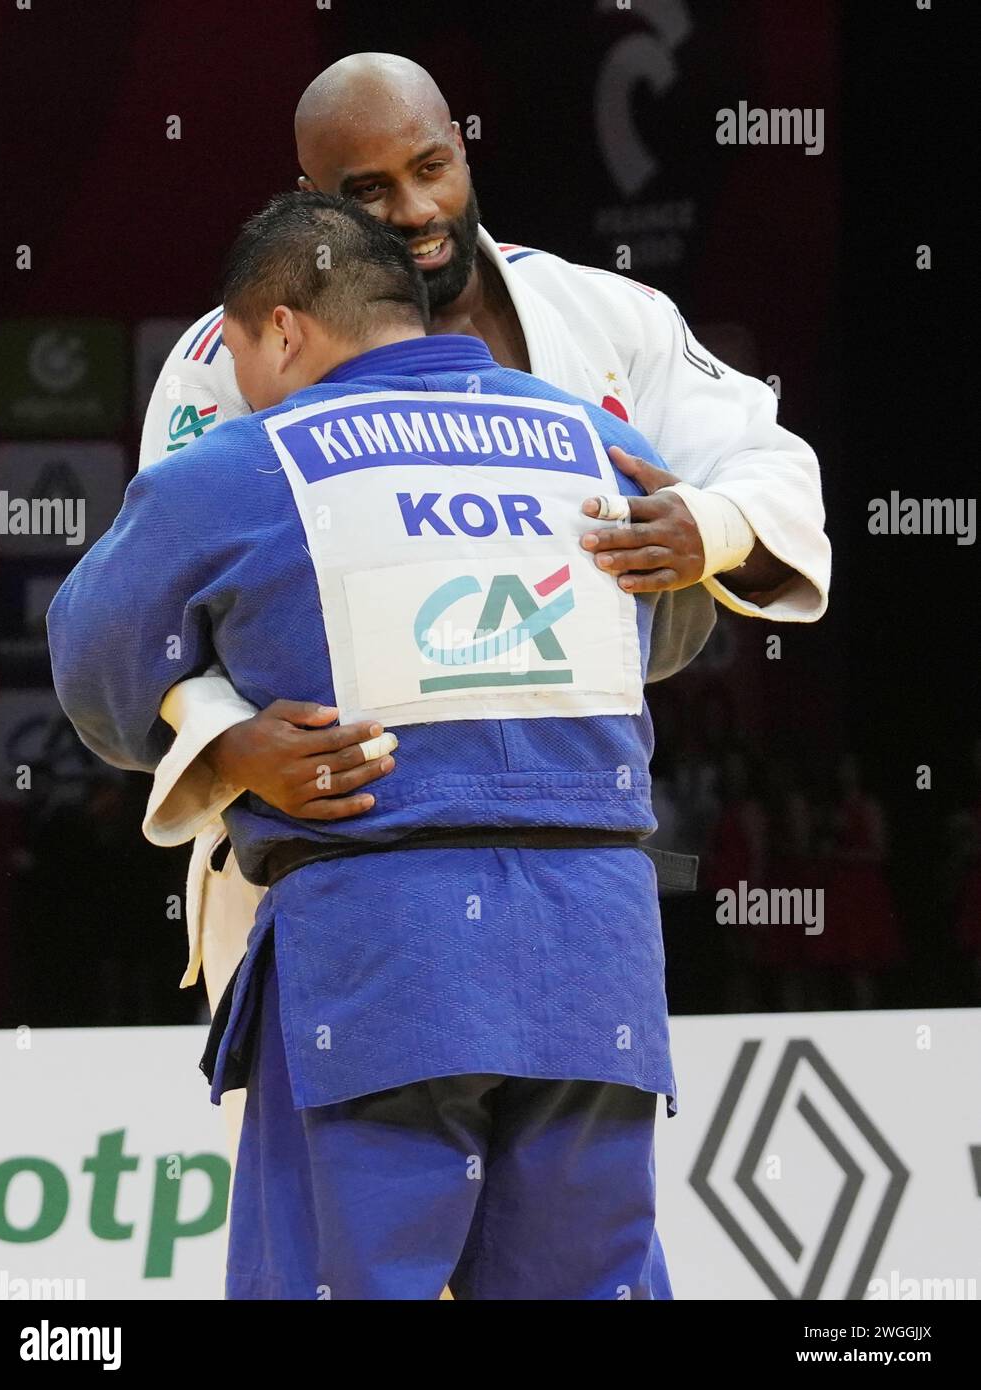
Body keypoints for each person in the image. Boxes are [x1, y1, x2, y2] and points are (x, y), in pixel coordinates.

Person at [137, 53, 830, 1163]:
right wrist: (228, 741)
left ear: (463, 149)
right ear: (310, 201)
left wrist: (718, 527)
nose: (414, 212)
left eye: (431, 167)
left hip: (557, 854)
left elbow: (764, 457)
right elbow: (152, 607)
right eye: (368, 192)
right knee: (348, 1240)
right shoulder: (239, 351)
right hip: (330, 855)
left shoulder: (606, 316)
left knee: (552, 1246)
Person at [49, 189, 721, 1299]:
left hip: (380, 966)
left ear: (280, 329)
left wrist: (221, 738)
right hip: (592, 961)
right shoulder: (593, 440)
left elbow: (92, 655)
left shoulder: (245, 465)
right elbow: (677, 615)